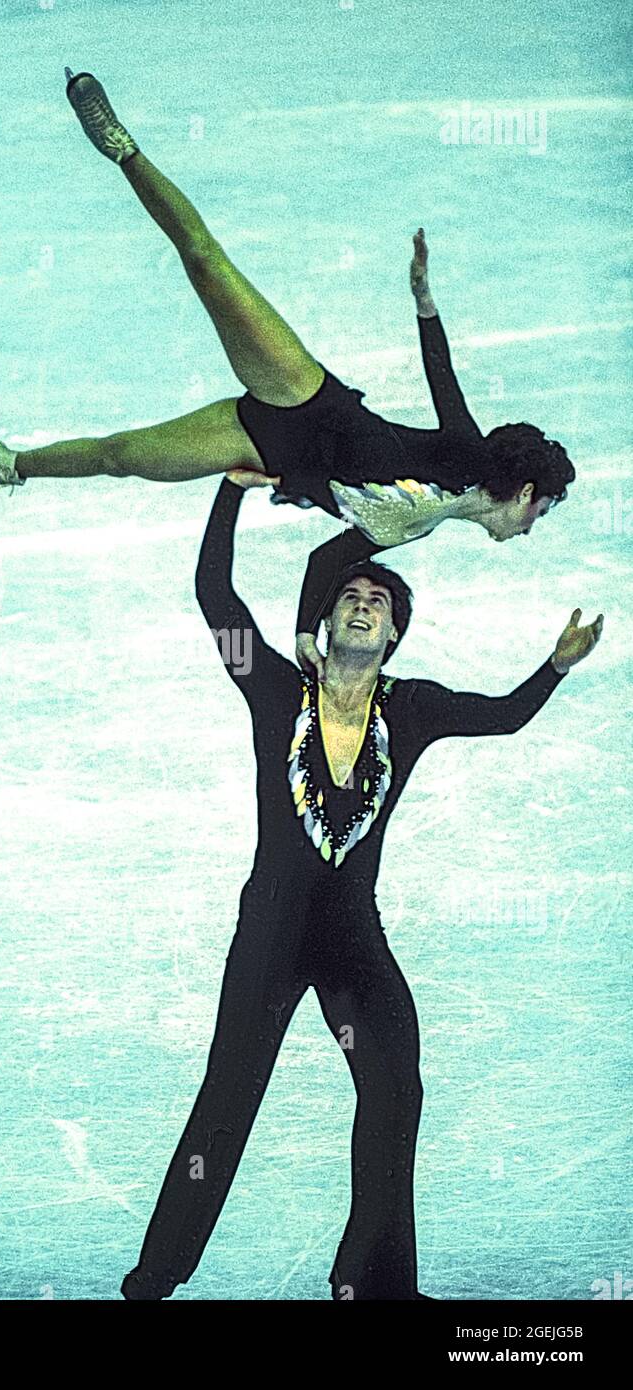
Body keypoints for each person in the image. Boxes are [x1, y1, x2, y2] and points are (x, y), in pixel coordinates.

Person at [119, 474, 602, 1300]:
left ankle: (376, 1284)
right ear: (325, 621)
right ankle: (155, 1277)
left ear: (393, 636)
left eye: (379, 600)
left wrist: (552, 668)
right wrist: (231, 490)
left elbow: (502, 716)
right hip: (270, 932)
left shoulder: (410, 709)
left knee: (393, 1086)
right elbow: (214, 592)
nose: (363, 602)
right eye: (350, 593)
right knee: (228, 1095)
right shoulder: (271, 691)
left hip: (350, 938)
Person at [0, 70, 574, 573]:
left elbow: (328, 557)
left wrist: (301, 615)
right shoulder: (463, 456)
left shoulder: (424, 523)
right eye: (538, 512)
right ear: (521, 491)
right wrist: (423, 302)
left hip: (261, 446)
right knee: (207, 265)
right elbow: (443, 379)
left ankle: (0, 461)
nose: (529, 526)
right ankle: (123, 149)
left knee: (122, 458)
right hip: (303, 396)